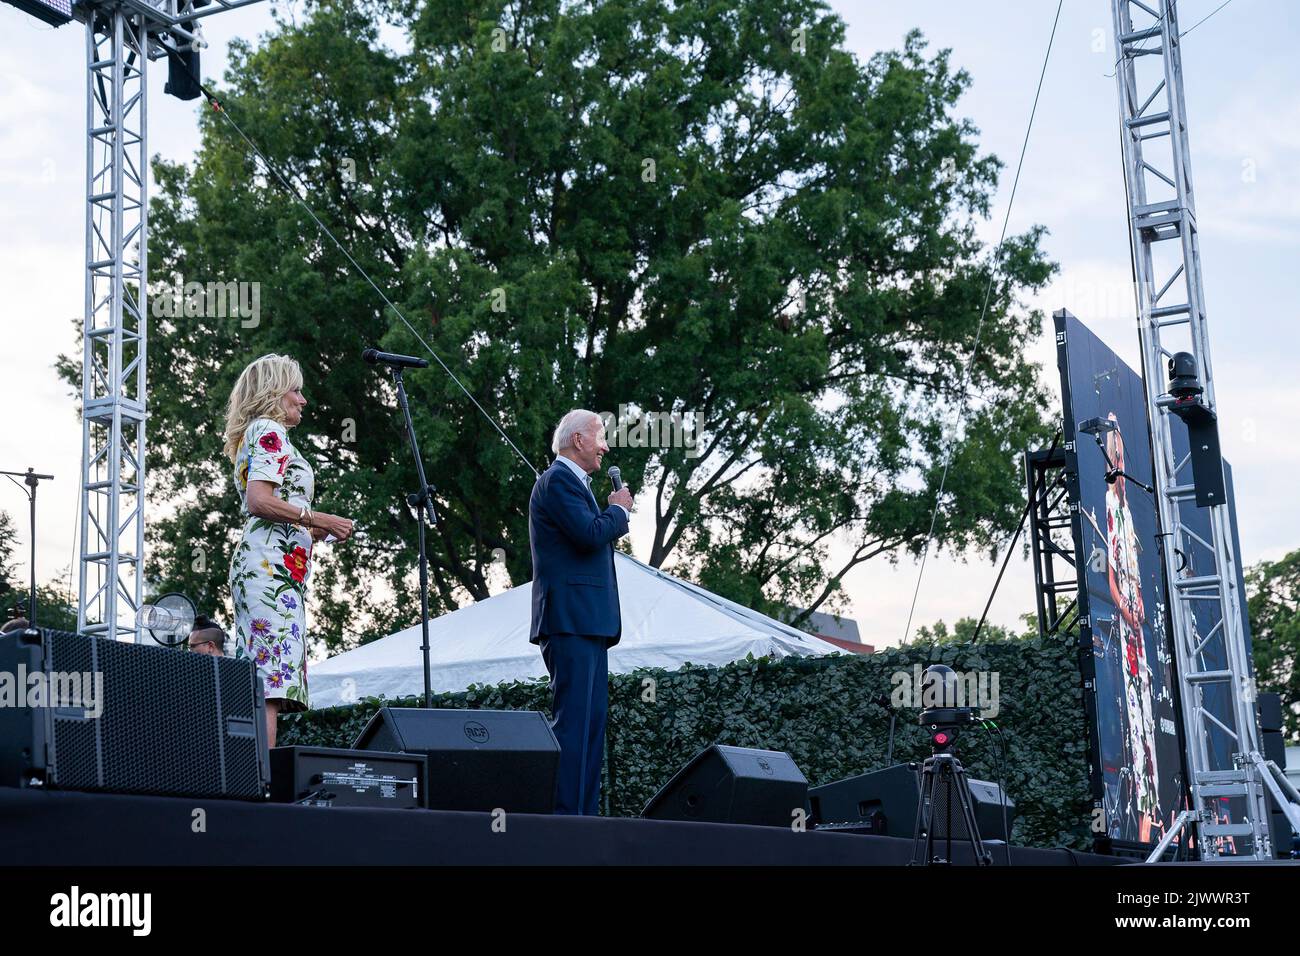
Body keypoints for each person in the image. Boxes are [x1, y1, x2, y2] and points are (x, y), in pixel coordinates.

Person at [223, 354, 354, 747]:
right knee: (268, 681)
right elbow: (259, 501)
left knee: (268, 680)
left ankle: (258, 780)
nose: (303, 400)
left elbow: (273, 508)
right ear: (272, 394)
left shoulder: (264, 434)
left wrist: (312, 530)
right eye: (295, 390)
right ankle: (261, 786)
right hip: (267, 569)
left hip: (274, 568)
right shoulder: (268, 429)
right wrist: (320, 518)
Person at [529, 409, 633, 815]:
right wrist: (618, 510)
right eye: (601, 437)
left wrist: (609, 513)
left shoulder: (573, 484)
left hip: (587, 622)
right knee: (574, 727)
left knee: (590, 730)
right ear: (578, 441)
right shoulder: (558, 481)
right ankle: (567, 825)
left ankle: (582, 823)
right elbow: (589, 534)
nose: (605, 446)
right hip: (571, 621)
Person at [1103, 414, 1160, 843]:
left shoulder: (1129, 514)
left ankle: (1152, 814)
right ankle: (1142, 819)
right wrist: (1124, 607)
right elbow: (1110, 573)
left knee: (1149, 728)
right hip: (1128, 629)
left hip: (1138, 623)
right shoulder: (1111, 508)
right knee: (1136, 723)